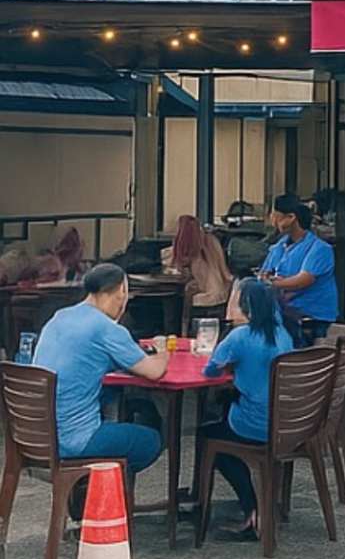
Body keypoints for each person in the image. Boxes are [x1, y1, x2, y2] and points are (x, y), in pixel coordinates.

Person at [32, 262, 168, 475]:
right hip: (75, 440)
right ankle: (106, 490)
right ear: (120, 293)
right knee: (151, 440)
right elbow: (154, 371)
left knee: (112, 394)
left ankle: (88, 490)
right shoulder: (107, 328)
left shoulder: (60, 317)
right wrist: (163, 352)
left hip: (37, 433)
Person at [198, 278, 295, 539]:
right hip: (284, 424)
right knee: (221, 421)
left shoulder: (240, 336)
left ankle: (251, 507)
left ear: (248, 308)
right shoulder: (283, 333)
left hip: (254, 426)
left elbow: (209, 371)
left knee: (209, 437)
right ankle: (264, 505)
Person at [258, 193, 339, 341]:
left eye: (275, 214)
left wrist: (274, 282)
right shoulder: (279, 246)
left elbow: (302, 281)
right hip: (283, 311)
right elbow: (263, 274)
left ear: (290, 218)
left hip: (311, 316)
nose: (272, 220)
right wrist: (275, 281)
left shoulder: (320, 248)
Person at [162, 214, 233, 310]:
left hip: (209, 300)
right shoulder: (211, 242)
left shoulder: (196, 258)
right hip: (224, 297)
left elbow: (173, 265)